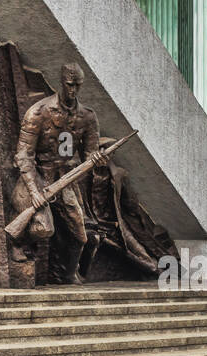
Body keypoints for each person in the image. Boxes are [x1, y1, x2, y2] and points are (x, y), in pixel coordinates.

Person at [9, 62, 106, 284]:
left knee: (80, 236)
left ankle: (66, 274)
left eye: (78, 85)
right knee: (43, 228)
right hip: (37, 177)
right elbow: (23, 156)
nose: (73, 90)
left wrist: (98, 160)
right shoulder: (38, 112)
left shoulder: (88, 117)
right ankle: (21, 242)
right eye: (70, 84)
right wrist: (34, 191)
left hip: (66, 180)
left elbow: (91, 154)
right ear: (62, 82)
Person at [80, 138, 177, 280]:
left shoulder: (118, 174)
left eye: (109, 152)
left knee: (140, 253)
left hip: (115, 225)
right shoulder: (81, 175)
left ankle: (159, 272)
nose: (105, 155)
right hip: (91, 224)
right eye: (101, 150)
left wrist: (137, 218)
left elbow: (130, 203)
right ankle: (80, 275)